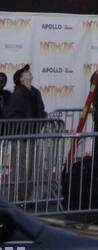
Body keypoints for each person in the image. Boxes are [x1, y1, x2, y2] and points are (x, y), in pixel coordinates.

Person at [5, 66, 47, 204]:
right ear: (21, 79)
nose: (29, 74)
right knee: (19, 168)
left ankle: (25, 198)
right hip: (21, 138)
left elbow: (41, 110)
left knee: (30, 168)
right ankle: (14, 198)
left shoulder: (35, 92)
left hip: (33, 136)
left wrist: (40, 123)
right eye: (26, 73)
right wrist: (23, 128)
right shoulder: (18, 94)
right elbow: (13, 115)